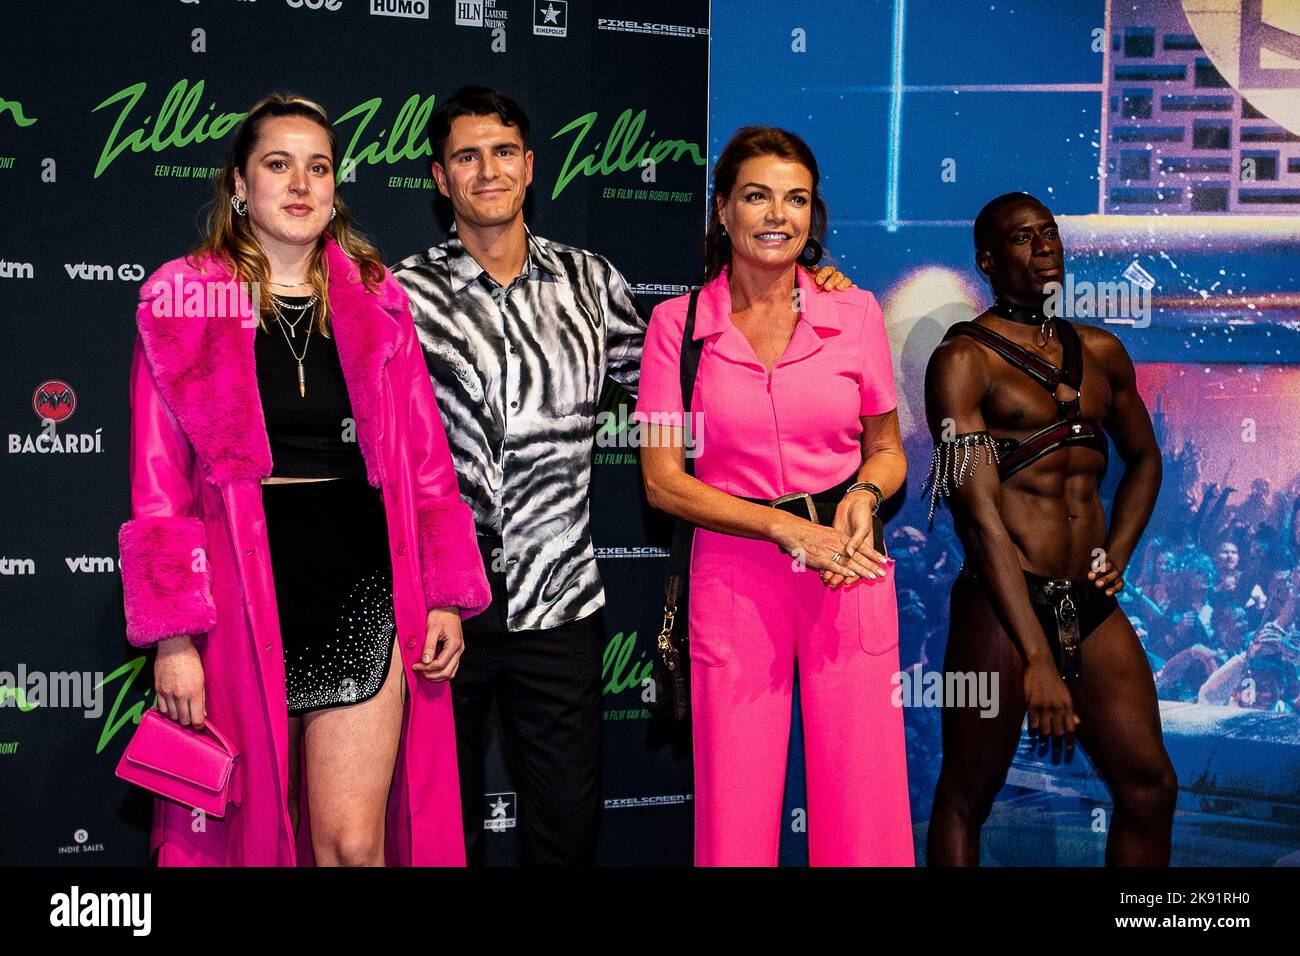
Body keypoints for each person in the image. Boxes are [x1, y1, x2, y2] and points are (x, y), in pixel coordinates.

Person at [392, 89, 850, 865]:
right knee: (439, 835)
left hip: (561, 604)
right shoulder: (401, 296)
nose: (488, 170)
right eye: (467, 157)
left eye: (503, 152)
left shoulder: (590, 284)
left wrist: (796, 296)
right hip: (441, 605)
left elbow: (694, 383)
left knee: (566, 835)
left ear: (531, 168)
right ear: (441, 178)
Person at [118, 94, 489, 866]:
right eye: (278, 164)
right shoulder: (185, 303)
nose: (300, 183)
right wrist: (174, 636)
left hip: (362, 589)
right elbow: (160, 489)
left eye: (317, 167)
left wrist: (448, 593)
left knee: (352, 846)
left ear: (335, 187)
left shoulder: (378, 302)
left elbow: (425, 464)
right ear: (239, 186)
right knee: (255, 839)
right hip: (241, 597)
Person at [638, 126, 913, 866]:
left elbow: (887, 451)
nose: (776, 215)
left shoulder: (854, 315)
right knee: (735, 819)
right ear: (722, 209)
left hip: (848, 570)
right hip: (732, 579)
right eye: (756, 196)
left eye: (795, 199)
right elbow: (662, 480)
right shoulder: (677, 327)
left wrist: (863, 494)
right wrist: (785, 529)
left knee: (865, 813)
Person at [924, 192, 1176, 866]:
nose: (1043, 247)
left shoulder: (1101, 351)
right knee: (966, 797)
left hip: (1087, 604)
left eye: (1050, 233)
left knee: (1150, 788)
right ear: (986, 258)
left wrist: (1115, 554)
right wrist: (1036, 656)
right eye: (1021, 237)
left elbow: (1146, 460)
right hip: (1000, 606)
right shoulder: (961, 361)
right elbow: (977, 517)